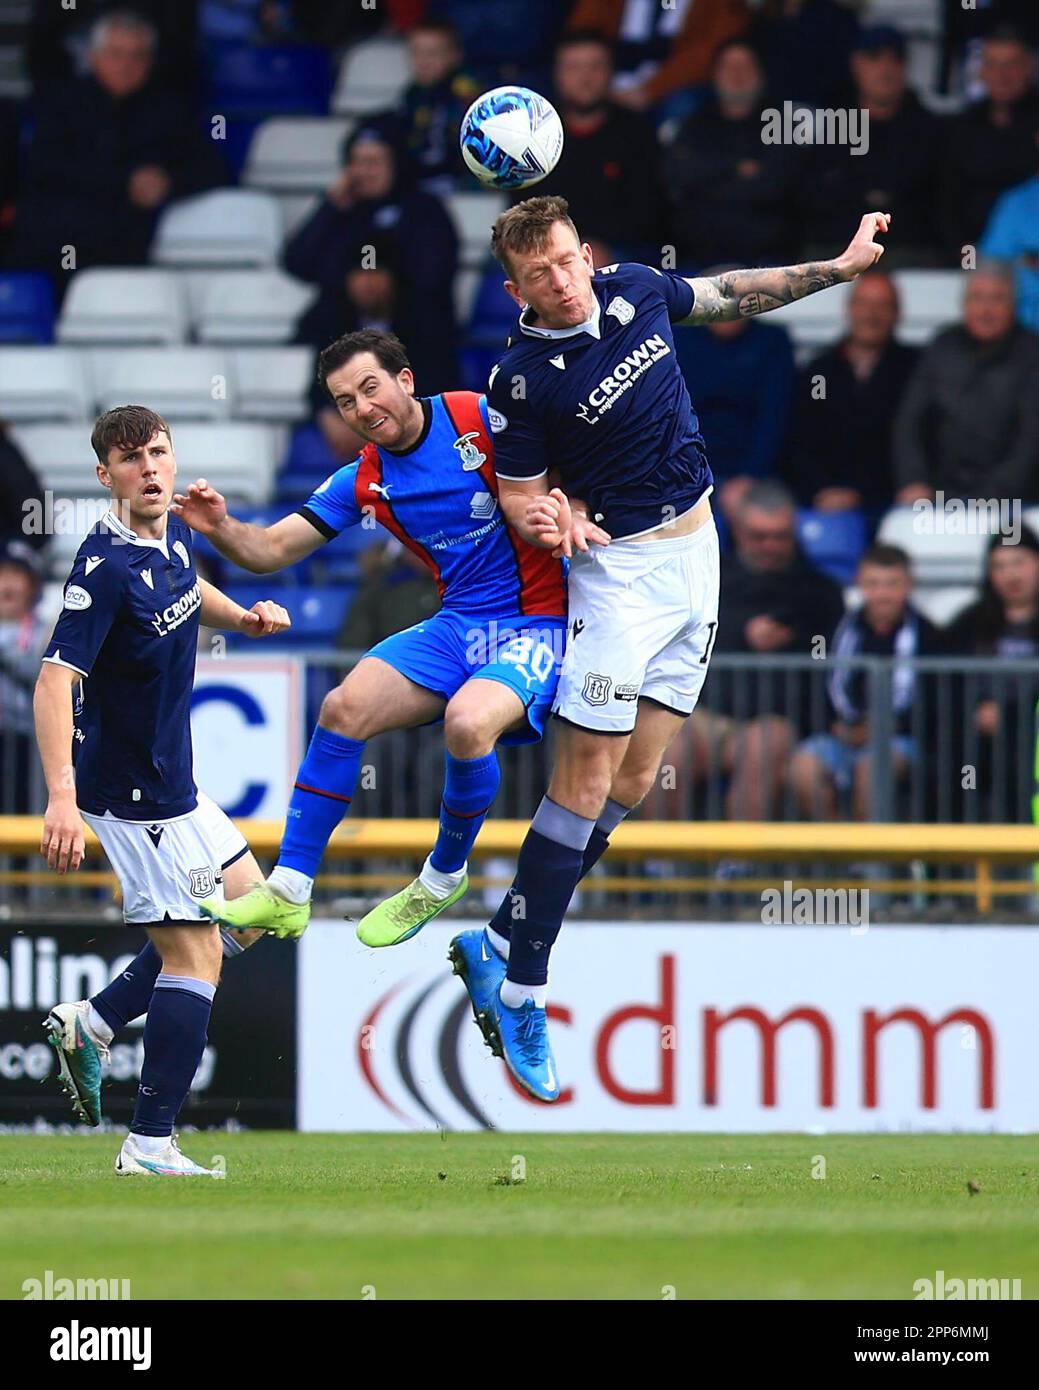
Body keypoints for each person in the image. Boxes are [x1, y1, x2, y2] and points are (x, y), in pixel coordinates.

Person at [462, 194, 888, 1102]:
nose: (563, 282)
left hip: (699, 560)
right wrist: (554, 517)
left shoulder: (636, 292)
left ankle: (497, 937)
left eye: (570, 260)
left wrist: (839, 269)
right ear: (515, 290)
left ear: (589, 253)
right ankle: (523, 988)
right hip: (615, 579)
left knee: (630, 785)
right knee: (578, 786)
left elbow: (732, 294)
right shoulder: (519, 382)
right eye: (539, 275)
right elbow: (518, 496)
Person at [171, 329, 578, 949]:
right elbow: (271, 549)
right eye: (344, 402)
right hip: (462, 622)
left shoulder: (478, 414)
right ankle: (288, 890)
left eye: (370, 388)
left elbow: (574, 464)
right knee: (343, 707)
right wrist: (221, 526)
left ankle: (442, 877)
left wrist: (573, 511)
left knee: (468, 725)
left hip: (541, 621)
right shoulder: (363, 478)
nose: (362, 408)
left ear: (405, 380)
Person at [35, 406, 288, 1174]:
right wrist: (58, 796)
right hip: (132, 794)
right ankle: (148, 1144)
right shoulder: (102, 567)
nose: (148, 468)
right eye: (130, 459)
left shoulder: (173, 529)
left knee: (252, 914)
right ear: (104, 476)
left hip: (177, 784)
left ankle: (98, 1018)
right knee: (197, 955)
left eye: (158, 452)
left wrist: (240, 617)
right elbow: (54, 683)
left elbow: (188, 586)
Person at [11, 10, 224, 274]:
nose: (126, 64)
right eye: (116, 54)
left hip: (137, 245)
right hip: (66, 244)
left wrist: (167, 183)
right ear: (93, 57)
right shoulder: (62, 105)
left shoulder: (169, 111)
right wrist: (124, 182)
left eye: (137, 56)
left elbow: (213, 168)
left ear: (150, 61)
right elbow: (44, 166)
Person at [703, 481, 845, 819]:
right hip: (712, 711)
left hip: (785, 718)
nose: (769, 545)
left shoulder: (821, 592)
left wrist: (795, 640)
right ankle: (663, 866)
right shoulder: (709, 578)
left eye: (779, 536)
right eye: (758, 536)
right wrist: (741, 635)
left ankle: (737, 865)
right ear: (738, 530)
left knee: (761, 746)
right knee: (670, 751)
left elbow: (834, 664)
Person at [284, 121, 459, 390]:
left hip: (415, 338)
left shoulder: (424, 210)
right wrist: (328, 208)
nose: (365, 172)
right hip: (344, 332)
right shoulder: (342, 211)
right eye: (358, 162)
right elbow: (296, 263)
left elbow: (432, 275)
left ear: (395, 163)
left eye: (374, 162)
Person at [789, 544, 944, 821]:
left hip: (902, 738)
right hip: (839, 735)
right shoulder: (835, 629)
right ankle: (837, 852)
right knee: (803, 769)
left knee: (872, 769)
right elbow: (814, 687)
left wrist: (888, 727)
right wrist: (836, 726)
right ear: (859, 583)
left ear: (909, 585)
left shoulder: (931, 637)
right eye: (873, 584)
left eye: (892, 584)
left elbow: (938, 703)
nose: (883, 594)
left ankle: (869, 862)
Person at [894, 262, 1039, 504]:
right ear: (964, 304)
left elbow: (1031, 438)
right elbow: (909, 422)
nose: (986, 309)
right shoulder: (942, 346)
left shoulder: (1032, 354)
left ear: (1013, 305)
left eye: (997, 299)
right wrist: (913, 479)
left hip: (1017, 503)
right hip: (940, 496)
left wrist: (989, 496)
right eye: (977, 298)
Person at [801, 26, 942, 264]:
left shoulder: (932, 132)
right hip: (837, 255)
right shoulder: (830, 131)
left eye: (894, 60)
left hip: (913, 256)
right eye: (874, 58)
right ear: (856, 65)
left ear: (905, 67)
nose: (885, 69)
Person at [785, 270, 917, 516]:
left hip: (893, 500)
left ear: (897, 314)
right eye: (864, 304)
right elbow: (800, 440)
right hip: (823, 501)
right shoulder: (819, 372)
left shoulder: (917, 370)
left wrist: (863, 494)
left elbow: (920, 440)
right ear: (849, 309)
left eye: (882, 306)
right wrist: (820, 490)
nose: (871, 314)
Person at [523, 30, 662, 257]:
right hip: (546, 251)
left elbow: (649, 213)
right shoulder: (535, 135)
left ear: (611, 73)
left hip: (621, 252)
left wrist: (590, 251)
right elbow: (524, 210)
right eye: (574, 68)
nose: (585, 78)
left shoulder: (637, 132)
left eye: (595, 67)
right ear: (556, 74)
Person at [672, 270, 796, 519]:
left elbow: (775, 416)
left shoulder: (772, 342)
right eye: (720, 297)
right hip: (688, 468)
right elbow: (670, 414)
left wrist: (750, 476)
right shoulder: (678, 338)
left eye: (737, 298)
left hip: (757, 470)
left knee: (760, 517)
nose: (728, 307)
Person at [669, 39, 798, 269]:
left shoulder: (782, 124)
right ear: (714, 75)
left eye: (745, 66)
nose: (737, 74)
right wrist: (735, 168)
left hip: (769, 262)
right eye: (728, 66)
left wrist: (711, 177)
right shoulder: (694, 124)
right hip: (697, 260)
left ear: (761, 74)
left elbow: (777, 188)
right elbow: (678, 177)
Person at [946, 526, 1039, 822]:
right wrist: (976, 709)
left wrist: (1010, 714)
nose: (1011, 575)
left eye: (1019, 562)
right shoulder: (969, 622)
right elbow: (945, 681)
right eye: (999, 566)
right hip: (976, 738)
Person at [941, 26, 1039, 256]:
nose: (1002, 74)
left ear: (1029, 68)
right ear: (981, 71)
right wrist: (960, 253)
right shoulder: (960, 127)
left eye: (1011, 64)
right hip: (967, 258)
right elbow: (944, 199)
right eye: (993, 64)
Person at [565, 0, 750, 113]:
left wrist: (649, 90)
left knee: (684, 106)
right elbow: (583, 32)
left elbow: (711, 49)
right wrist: (601, 84)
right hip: (607, 78)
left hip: (672, 86)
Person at [394, 18, 480, 193]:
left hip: (462, 184)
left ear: (454, 56)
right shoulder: (411, 94)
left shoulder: (465, 92)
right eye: (417, 53)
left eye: (433, 53)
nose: (423, 61)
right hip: (418, 184)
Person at [0, 541, 47, 815]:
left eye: (16, 577)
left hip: (26, 746)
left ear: (32, 586)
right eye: (2, 575)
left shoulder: (47, 631)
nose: (7, 586)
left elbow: (46, 675)